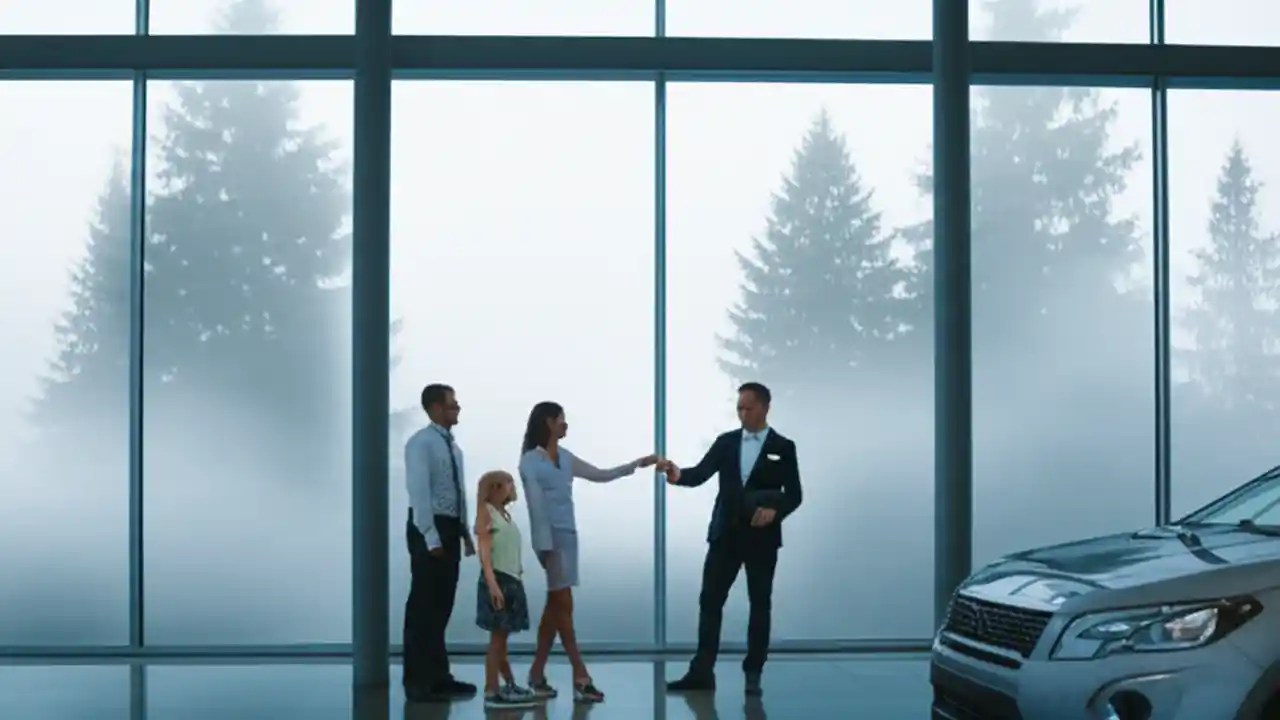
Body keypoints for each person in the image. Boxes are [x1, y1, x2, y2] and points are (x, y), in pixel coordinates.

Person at [662, 382, 803, 697]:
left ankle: (753, 673)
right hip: (725, 535)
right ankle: (701, 672)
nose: (742, 413)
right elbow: (700, 473)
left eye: (748, 408)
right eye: (739, 408)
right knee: (710, 602)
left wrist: (774, 512)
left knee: (760, 605)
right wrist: (677, 475)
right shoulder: (725, 442)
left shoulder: (784, 446)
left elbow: (795, 495)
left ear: (765, 407)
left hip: (762, 539)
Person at [519, 401, 658, 704]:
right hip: (550, 540)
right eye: (561, 419)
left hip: (569, 537)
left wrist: (636, 464)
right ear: (548, 422)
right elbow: (535, 507)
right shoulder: (530, 461)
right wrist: (543, 547)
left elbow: (601, 474)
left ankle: (536, 674)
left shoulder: (565, 457)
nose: (565, 424)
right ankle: (580, 675)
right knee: (563, 606)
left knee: (555, 609)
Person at [403, 383, 477, 703]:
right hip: (429, 527)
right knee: (424, 607)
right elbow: (419, 492)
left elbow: (458, 492)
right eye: (451, 404)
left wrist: (464, 533)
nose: (457, 409)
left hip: (449, 527)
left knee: (441, 606)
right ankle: (418, 682)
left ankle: (439, 677)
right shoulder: (421, 443)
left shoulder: (453, 447)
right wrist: (430, 537)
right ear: (434, 407)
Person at [474, 470, 538, 709]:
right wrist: (492, 585)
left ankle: (508, 683)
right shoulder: (487, 511)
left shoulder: (504, 514)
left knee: (501, 639)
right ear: (495, 487)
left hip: (511, 580)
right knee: (497, 640)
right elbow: (485, 553)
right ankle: (491, 690)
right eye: (507, 482)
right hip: (498, 579)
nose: (512, 486)